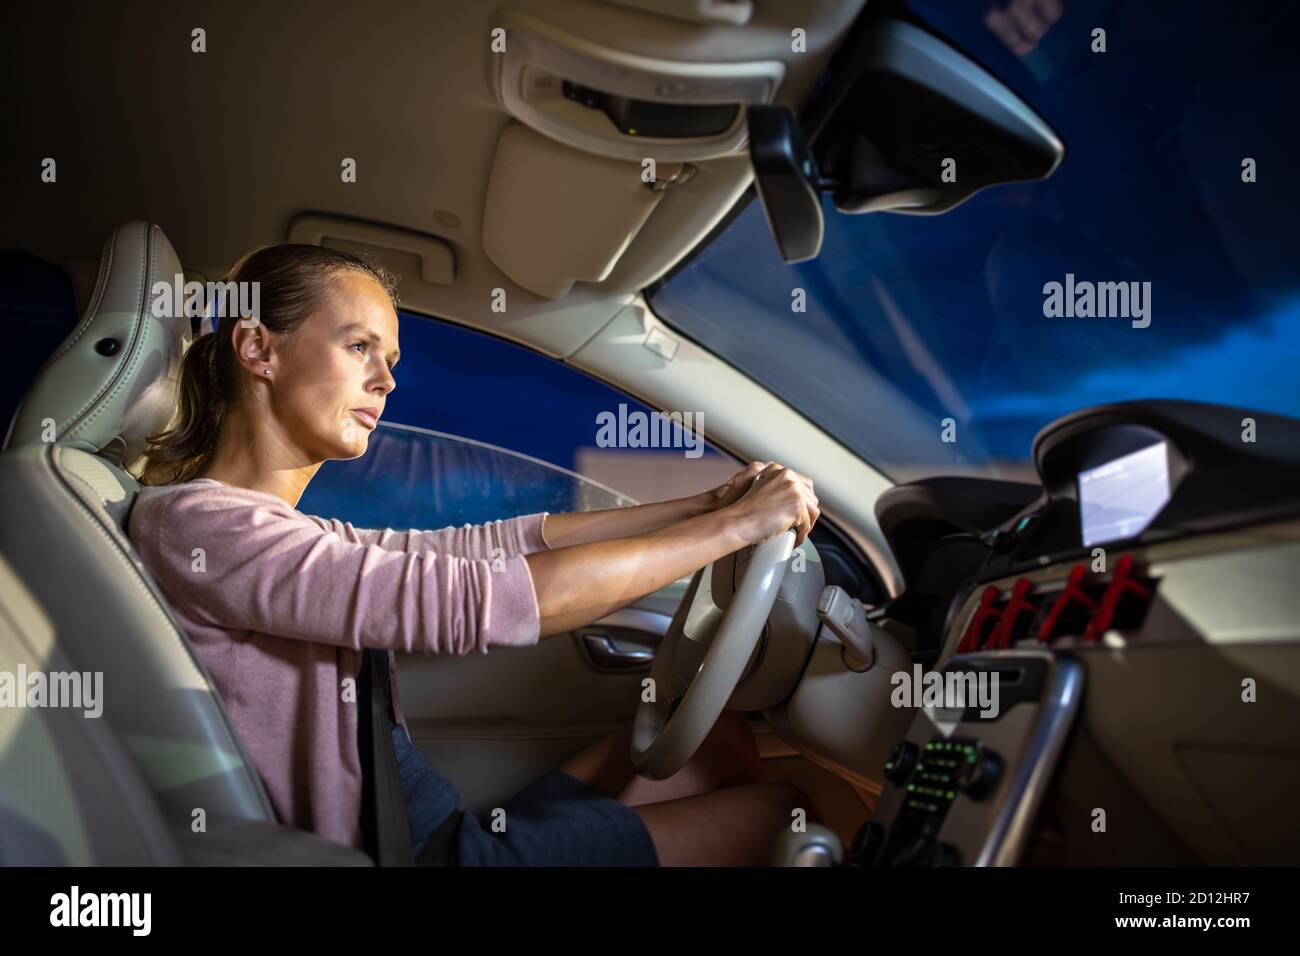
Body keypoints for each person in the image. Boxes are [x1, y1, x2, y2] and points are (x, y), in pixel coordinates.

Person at [127, 243, 825, 866]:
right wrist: (733, 532)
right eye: (359, 347)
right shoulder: (203, 527)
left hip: (431, 827)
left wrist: (706, 506)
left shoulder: (279, 531)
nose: (387, 382)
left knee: (720, 742)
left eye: (391, 360)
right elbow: (484, 600)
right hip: (419, 853)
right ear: (259, 350)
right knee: (781, 816)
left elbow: (485, 550)